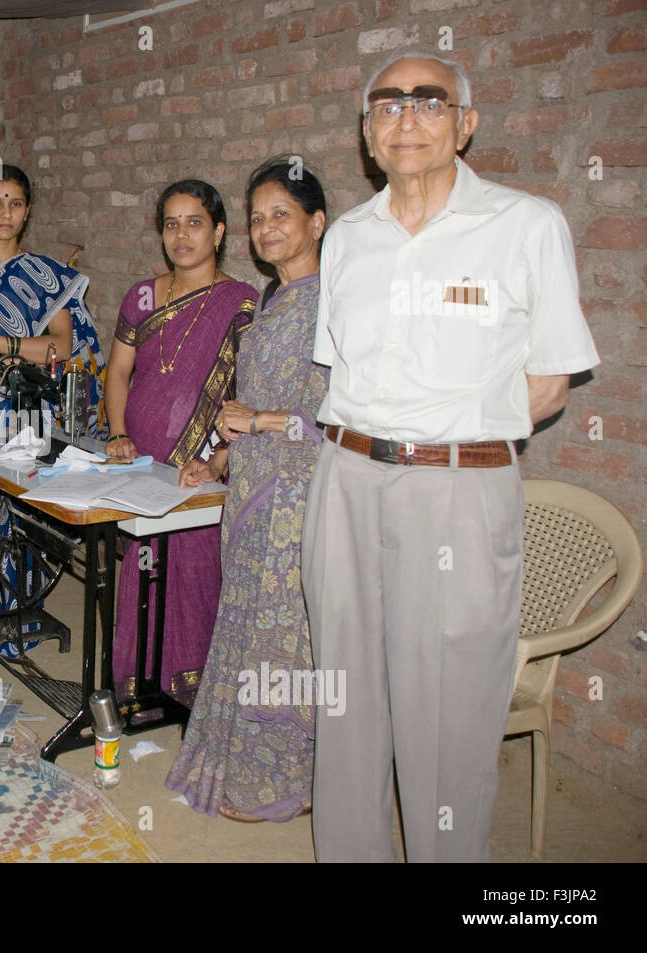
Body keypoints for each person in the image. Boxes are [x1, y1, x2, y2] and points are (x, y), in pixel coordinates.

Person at [303, 52, 599, 862]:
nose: (406, 117)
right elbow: (340, 369)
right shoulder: (348, 240)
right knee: (346, 705)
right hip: (346, 482)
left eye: (429, 101)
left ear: (465, 124)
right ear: (367, 136)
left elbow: (548, 383)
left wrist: (444, 433)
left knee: (451, 715)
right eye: (388, 104)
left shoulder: (526, 224)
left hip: (461, 491)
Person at [165, 156, 329, 822]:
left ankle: (287, 781)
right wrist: (217, 462)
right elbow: (255, 409)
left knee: (284, 640)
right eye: (257, 218)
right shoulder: (272, 301)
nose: (265, 229)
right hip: (252, 493)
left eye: (280, 215)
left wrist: (255, 421)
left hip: (299, 501)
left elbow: (340, 421)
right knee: (249, 632)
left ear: (317, 221)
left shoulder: (332, 304)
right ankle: (249, 766)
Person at [0, 163, 106, 667]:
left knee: (17, 518)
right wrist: (9, 354)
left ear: (27, 211)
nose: (5, 213)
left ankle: (12, 612)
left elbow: (59, 348)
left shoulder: (47, 276)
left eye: (15, 203)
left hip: (21, 409)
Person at [103, 180, 257, 702]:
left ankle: (192, 689)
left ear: (218, 231)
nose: (182, 235)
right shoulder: (142, 297)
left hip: (195, 468)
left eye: (195, 223)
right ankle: (140, 684)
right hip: (139, 463)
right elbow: (118, 371)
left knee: (191, 568)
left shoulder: (242, 305)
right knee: (141, 565)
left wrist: (218, 461)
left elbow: (250, 399)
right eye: (171, 224)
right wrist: (119, 433)